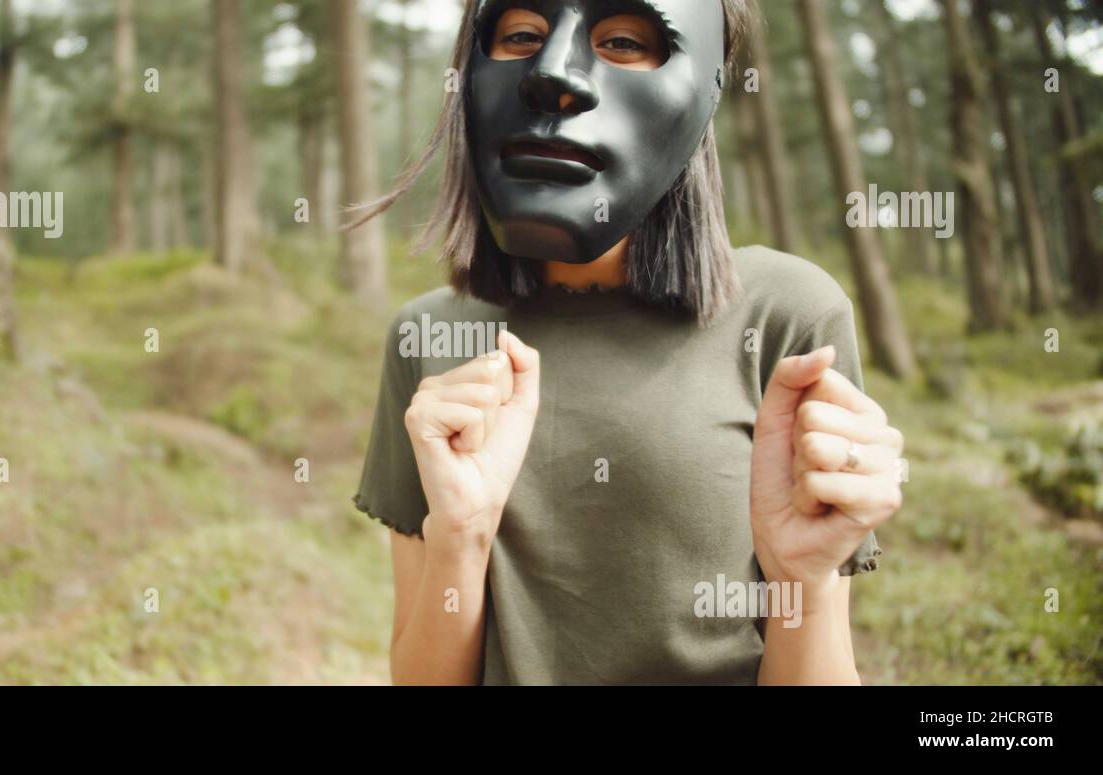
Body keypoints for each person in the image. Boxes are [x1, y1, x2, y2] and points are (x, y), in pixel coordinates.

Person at [349, 0, 903, 685]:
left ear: (707, 89)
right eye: (521, 34)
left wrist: (804, 578)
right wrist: (459, 537)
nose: (556, 76)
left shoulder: (786, 317)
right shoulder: (431, 338)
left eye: (622, 40)